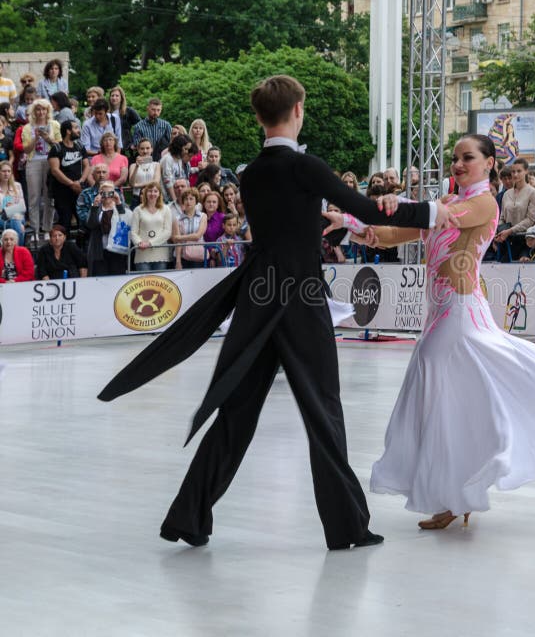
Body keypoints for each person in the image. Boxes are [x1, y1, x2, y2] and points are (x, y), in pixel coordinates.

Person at [97, 74, 455, 550]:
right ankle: (347, 527)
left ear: (259, 116)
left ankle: (189, 516)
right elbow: (367, 210)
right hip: (300, 297)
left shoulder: (251, 174)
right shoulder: (305, 166)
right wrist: (431, 212)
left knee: (236, 412)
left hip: (258, 296)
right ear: (298, 110)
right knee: (323, 409)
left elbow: (290, 223)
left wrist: (331, 221)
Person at [333, 134, 535, 529]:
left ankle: (460, 488)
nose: (458, 164)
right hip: (442, 313)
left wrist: (400, 206)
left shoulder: (482, 203)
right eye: (455, 157)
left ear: (489, 164)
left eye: (467, 157)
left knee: (438, 392)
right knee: (449, 399)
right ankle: (459, 491)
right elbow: (396, 234)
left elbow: (433, 217)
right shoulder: (448, 201)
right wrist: (350, 224)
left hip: (459, 313)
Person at [21, 98, 61, 241]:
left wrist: (48, 138)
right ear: (34, 111)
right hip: (33, 162)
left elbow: (59, 145)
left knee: (49, 197)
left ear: (48, 110)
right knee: (34, 198)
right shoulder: (27, 127)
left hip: (51, 162)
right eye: (38, 109)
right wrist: (36, 138)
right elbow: (26, 149)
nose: (41, 112)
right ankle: (35, 231)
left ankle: (47, 229)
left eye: (44, 109)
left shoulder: (54, 124)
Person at [48, 119, 90, 231]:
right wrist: (72, 184)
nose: (78, 130)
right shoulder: (56, 148)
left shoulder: (80, 146)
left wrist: (80, 181)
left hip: (79, 190)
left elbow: (87, 166)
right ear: (68, 131)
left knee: (83, 222)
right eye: (76, 128)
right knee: (64, 223)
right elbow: (55, 170)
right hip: (62, 192)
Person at [494, 158, 535, 260]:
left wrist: (510, 231)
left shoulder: (532, 192)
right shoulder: (506, 194)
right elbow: (502, 217)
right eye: (513, 171)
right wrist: (499, 231)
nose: (515, 174)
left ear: (526, 171)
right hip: (506, 240)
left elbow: (530, 219)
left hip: (524, 240)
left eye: (519, 171)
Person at [86, 181, 131, 276]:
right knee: (100, 277)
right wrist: (94, 205)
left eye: (110, 193)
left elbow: (125, 221)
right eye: (103, 193)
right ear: (99, 194)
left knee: (117, 276)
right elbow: (90, 224)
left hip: (117, 249)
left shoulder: (121, 207)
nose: (107, 196)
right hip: (100, 250)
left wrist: (118, 202)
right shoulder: (96, 208)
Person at [130, 182, 173, 272]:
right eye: (150, 191)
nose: (152, 194)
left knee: (159, 281)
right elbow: (133, 232)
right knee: (143, 281)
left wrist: (150, 243)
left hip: (160, 254)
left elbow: (167, 232)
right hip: (142, 254)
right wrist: (139, 243)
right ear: (145, 193)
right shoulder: (138, 210)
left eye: (155, 191)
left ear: (159, 193)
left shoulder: (166, 209)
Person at [172, 188, 208, 269]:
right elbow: (177, 242)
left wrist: (180, 237)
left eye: (191, 199)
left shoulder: (203, 216)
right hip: (182, 257)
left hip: (198, 255)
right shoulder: (177, 219)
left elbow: (197, 236)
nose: (188, 201)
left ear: (196, 201)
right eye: (186, 199)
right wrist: (178, 261)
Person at [128, 138, 161, 209]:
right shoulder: (133, 166)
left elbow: (156, 182)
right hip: (137, 197)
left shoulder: (156, 164)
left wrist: (137, 185)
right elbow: (131, 183)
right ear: (138, 150)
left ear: (152, 149)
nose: (145, 151)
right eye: (142, 149)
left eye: (147, 148)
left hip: (153, 196)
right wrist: (137, 167)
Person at [108, 85, 141, 157]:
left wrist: (135, 142)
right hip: (111, 147)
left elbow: (141, 126)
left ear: (121, 98)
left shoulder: (128, 111)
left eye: (117, 96)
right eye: (112, 95)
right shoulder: (106, 113)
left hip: (126, 147)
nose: (114, 98)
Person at [0, 161, 26, 244]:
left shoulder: (17, 186)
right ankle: (19, 250)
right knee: (18, 226)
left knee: (15, 220)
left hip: (17, 216)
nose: (6, 174)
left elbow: (22, 207)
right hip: (1, 218)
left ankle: (15, 250)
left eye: (9, 171)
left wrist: (12, 209)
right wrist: (5, 210)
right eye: (4, 171)